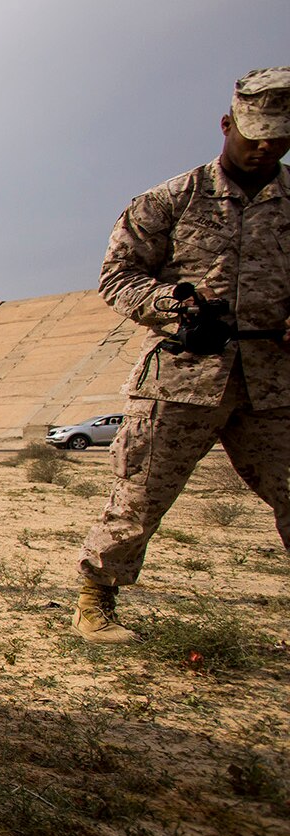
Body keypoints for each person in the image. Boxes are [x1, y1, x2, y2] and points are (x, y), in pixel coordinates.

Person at [74, 66, 290, 643]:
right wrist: (178, 303)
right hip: (181, 376)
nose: (265, 146)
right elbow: (118, 278)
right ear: (227, 125)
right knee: (139, 494)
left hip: (274, 381)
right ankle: (96, 600)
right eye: (254, 134)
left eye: (279, 137)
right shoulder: (171, 200)